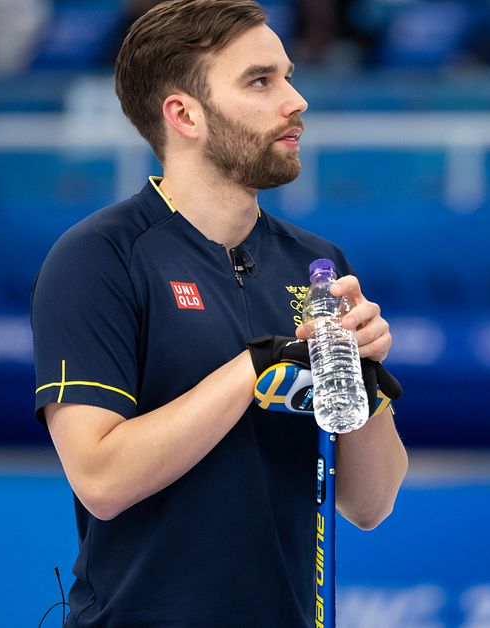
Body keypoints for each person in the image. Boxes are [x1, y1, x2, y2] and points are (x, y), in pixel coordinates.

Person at [30, 1, 407, 625]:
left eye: (288, 76)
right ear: (184, 115)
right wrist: (254, 369)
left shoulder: (316, 263)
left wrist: (361, 377)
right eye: (260, 81)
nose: (296, 100)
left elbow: (371, 502)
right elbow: (101, 480)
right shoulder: (99, 257)